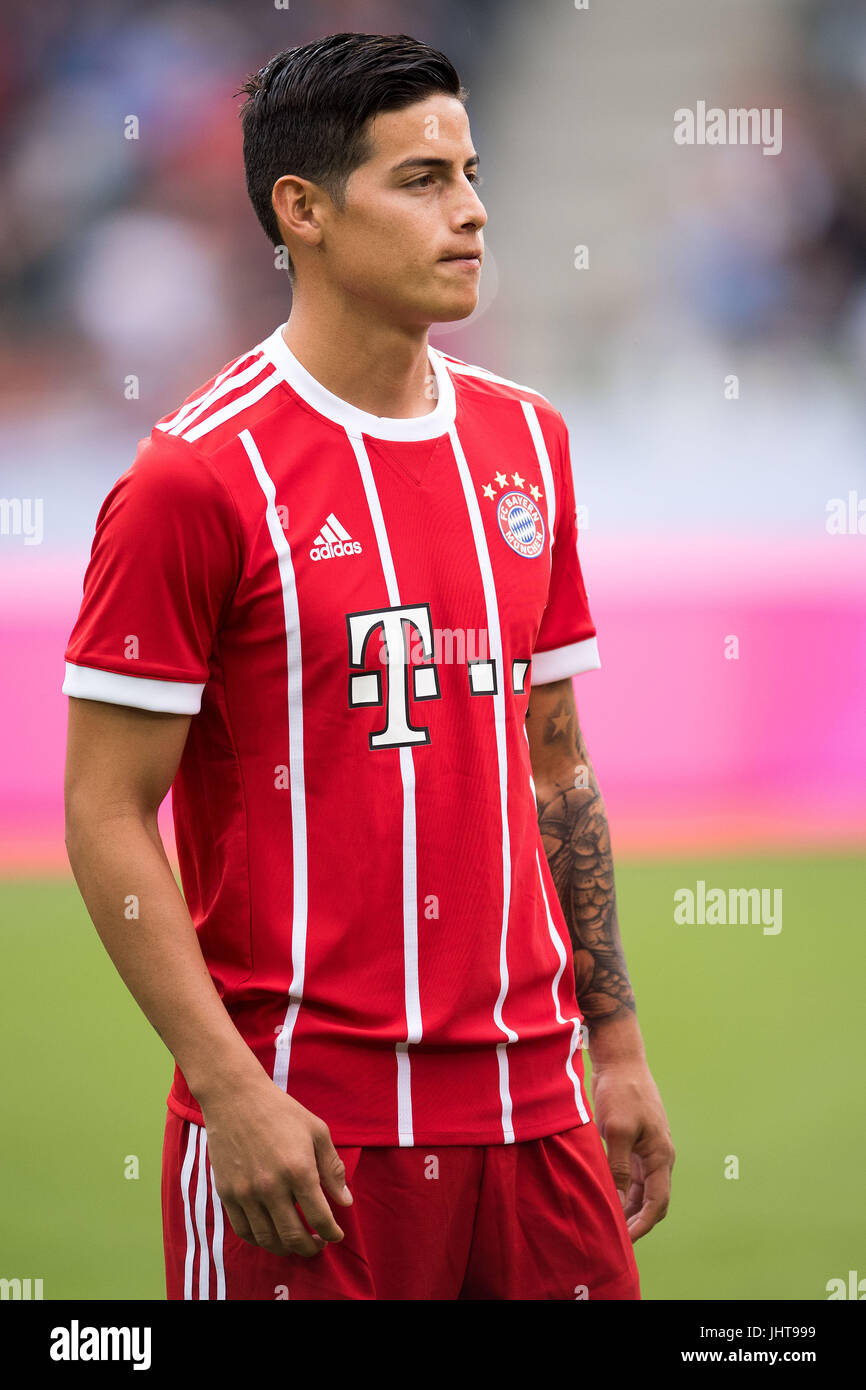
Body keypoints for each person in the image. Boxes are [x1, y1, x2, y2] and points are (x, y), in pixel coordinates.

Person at [62, 31, 674, 1301]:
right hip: (309, 1132)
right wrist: (229, 1088)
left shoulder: (527, 443)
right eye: (421, 180)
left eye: (470, 170)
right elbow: (105, 810)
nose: (471, 210)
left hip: (537, 1112)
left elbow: (554, 766)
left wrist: (613, 1046)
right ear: (304, 212)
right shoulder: (196, 478)